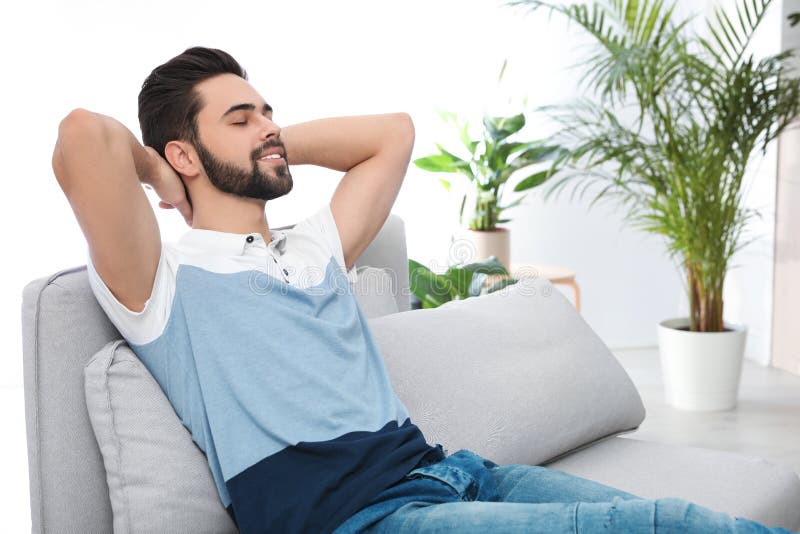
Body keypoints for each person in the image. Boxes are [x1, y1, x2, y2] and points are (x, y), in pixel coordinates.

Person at [51, 46, 796, 534]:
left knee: (676, 519)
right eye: (241, 118)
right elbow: (84, 135)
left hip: (454, 474)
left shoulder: (316, 247)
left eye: (268, 111)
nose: (269, 127)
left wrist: (267, 145)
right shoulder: (166, 280)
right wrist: (161, 172)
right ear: (183, 150)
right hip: (364, 519)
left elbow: (394, 133)